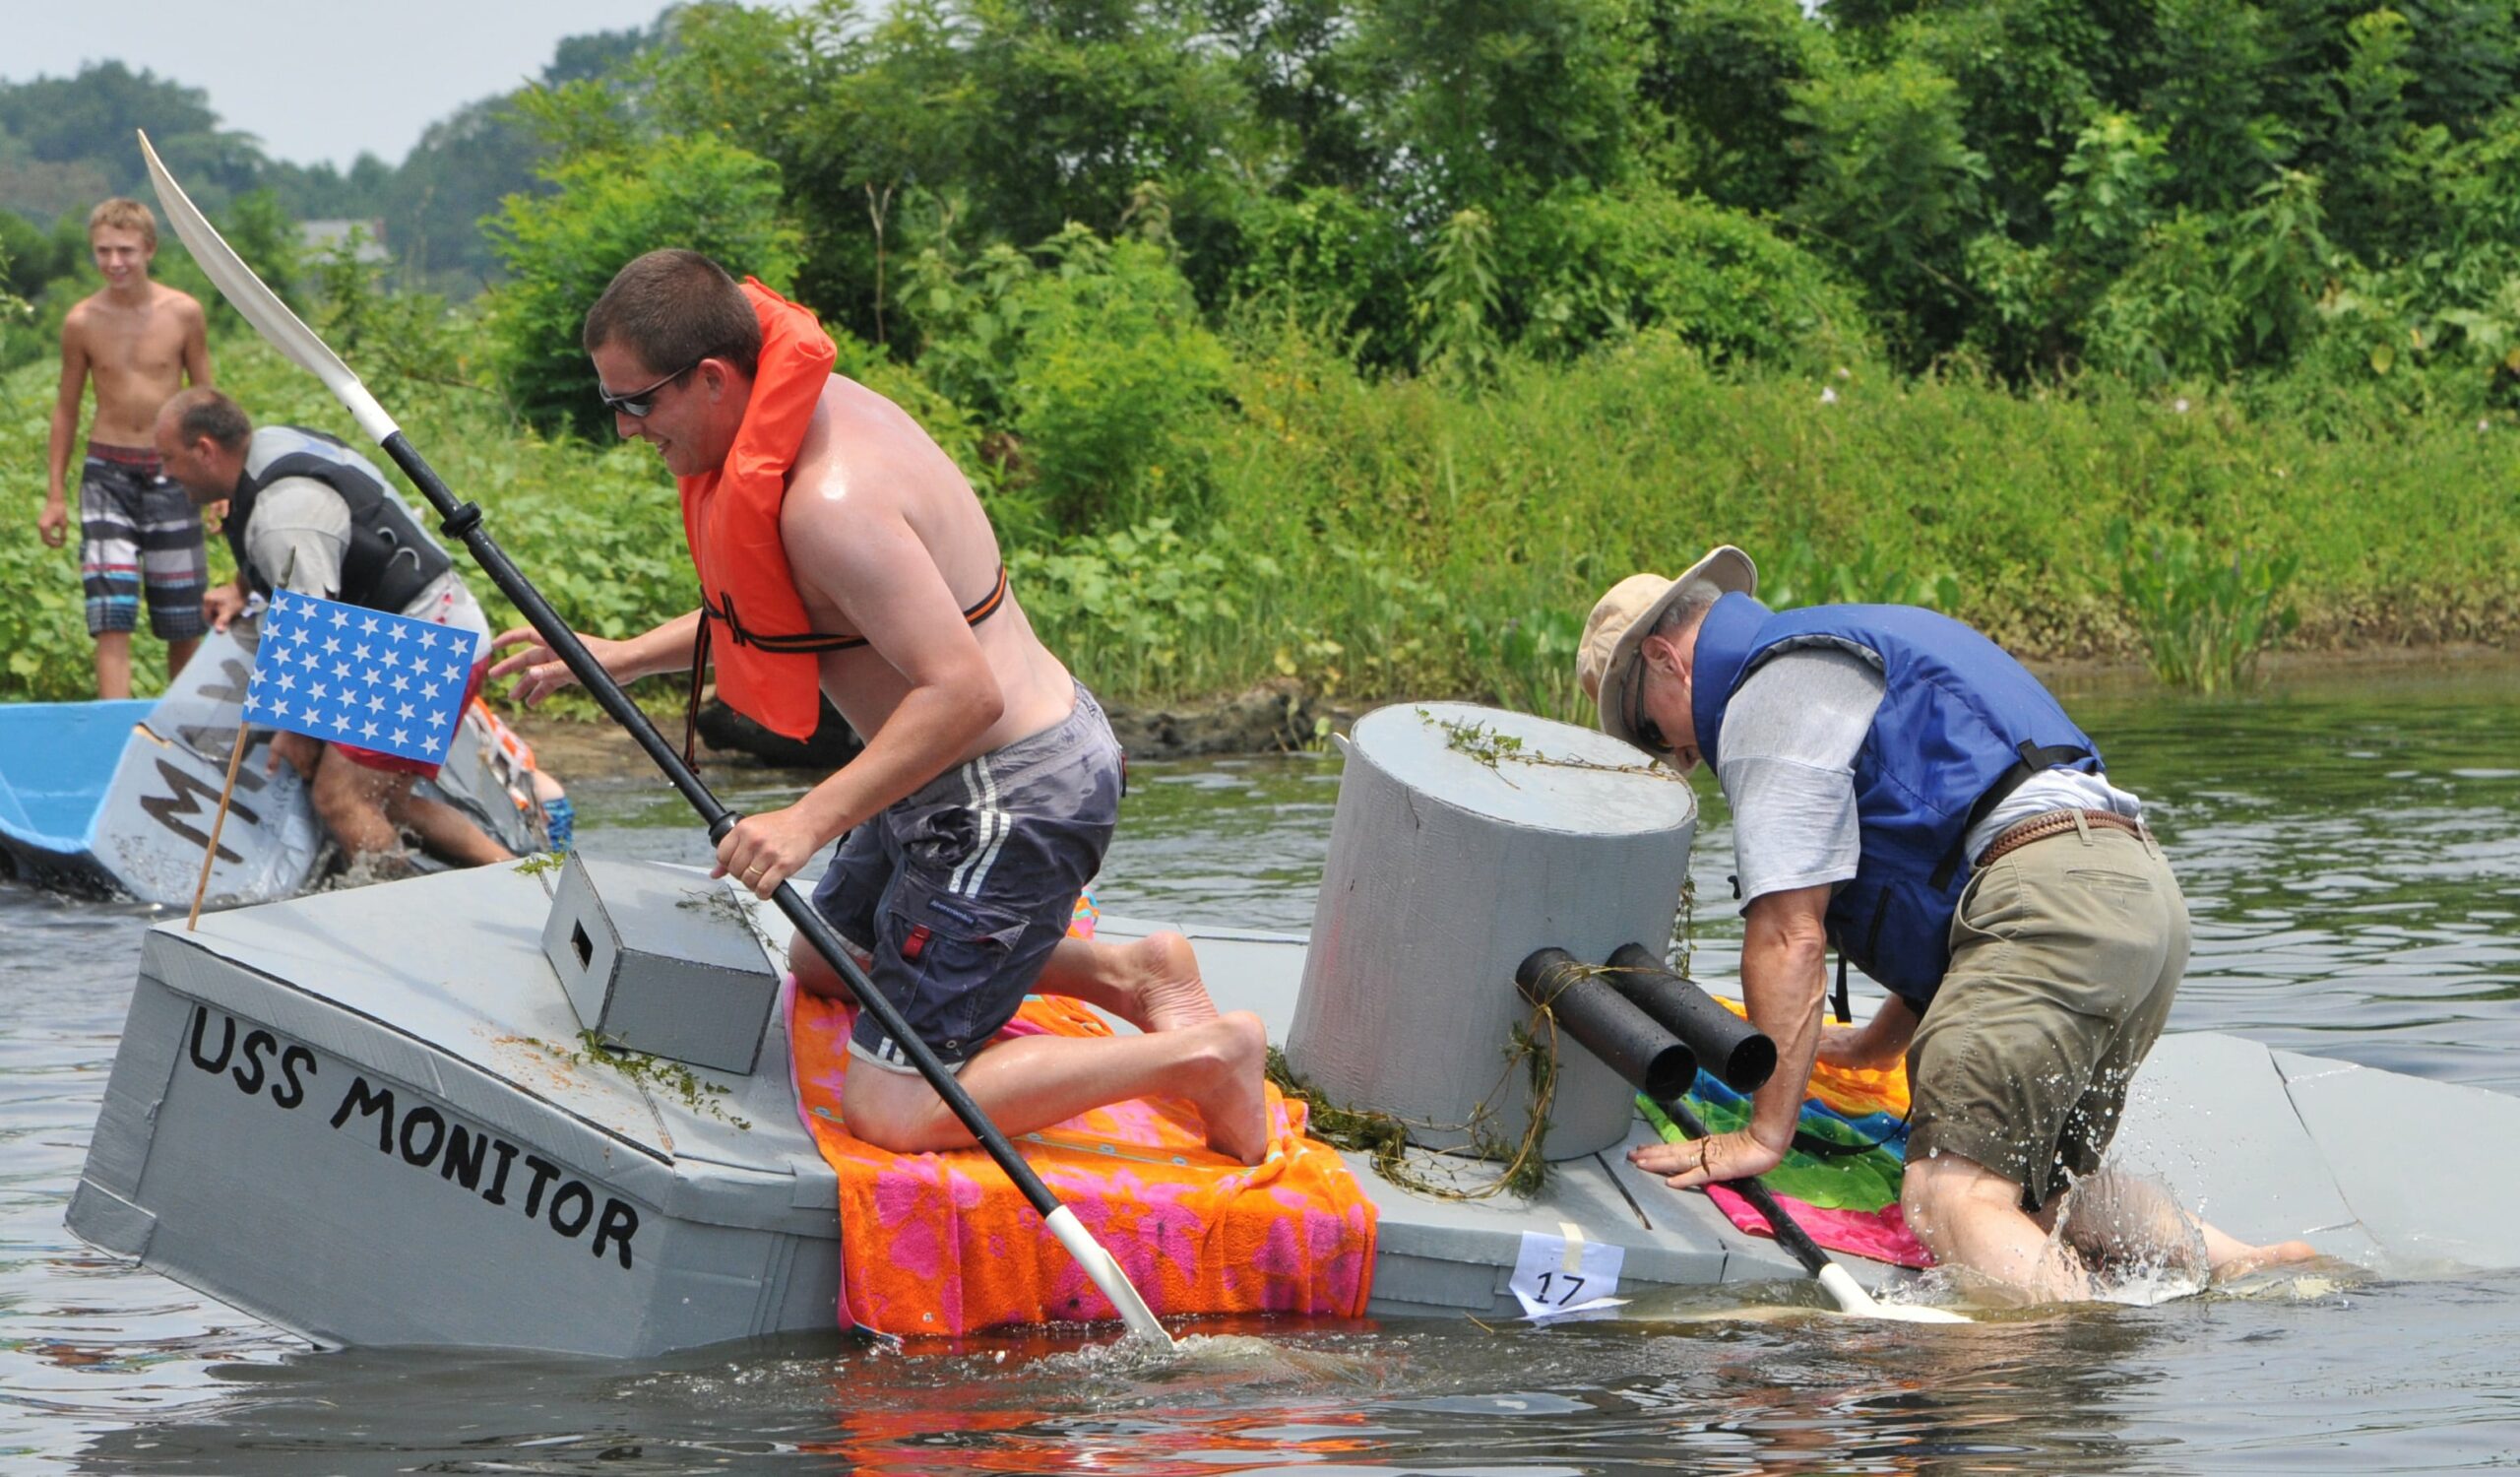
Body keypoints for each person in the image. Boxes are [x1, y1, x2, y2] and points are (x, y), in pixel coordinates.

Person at [487, 250, 1270, 1164]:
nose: (626, 432)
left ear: (710, 377)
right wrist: (617, 656)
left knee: (893, 1112)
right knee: (822, 961)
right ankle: (1129, 972)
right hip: (934, 774)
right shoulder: (790, 422)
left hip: (1006, 798)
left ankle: (1208, 1055)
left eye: (636, 404)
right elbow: (781, 615)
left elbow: (965, 693)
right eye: (611, 404)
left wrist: (806, 820)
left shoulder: (831, 501)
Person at [1579, 545, 2316, 1301]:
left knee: (1948, 1194)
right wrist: (1873, 1046)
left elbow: (1788, 933)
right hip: (2136, 898)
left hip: (2050, 902)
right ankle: (2244, 1263)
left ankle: (2072, 1353)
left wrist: (1763, 1134)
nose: (1679, 753)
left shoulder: (1768, 696)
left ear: (1667, 660)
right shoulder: (1848, 648)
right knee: (2039, 1197)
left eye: (1649, 729)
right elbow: (1960, 914)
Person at [152, 388, 514, 875]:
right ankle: (522, 878)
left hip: (426, 645)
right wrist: (241, 588)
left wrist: (297, 730)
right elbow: (290, 558)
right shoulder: (269, 447)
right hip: (423, 629)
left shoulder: (283, 516)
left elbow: (313, 631)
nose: (165, 473)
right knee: (387, 800)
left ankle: (400, 919)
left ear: (205, 449)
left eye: (168, 459)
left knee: (341, 799)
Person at [42, 198, 215, 699]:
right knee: (110, 609)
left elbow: (205, 398)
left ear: (149, 249)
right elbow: (67, 407)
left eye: (125, 251)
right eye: (103, 252)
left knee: (182, 615)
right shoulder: (82, 321)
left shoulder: (183, 313)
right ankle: (112, 730)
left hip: (173, 472)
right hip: (107, 473)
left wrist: (218, 482)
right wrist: (55, 494)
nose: (114, 262)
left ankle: (179, 731)